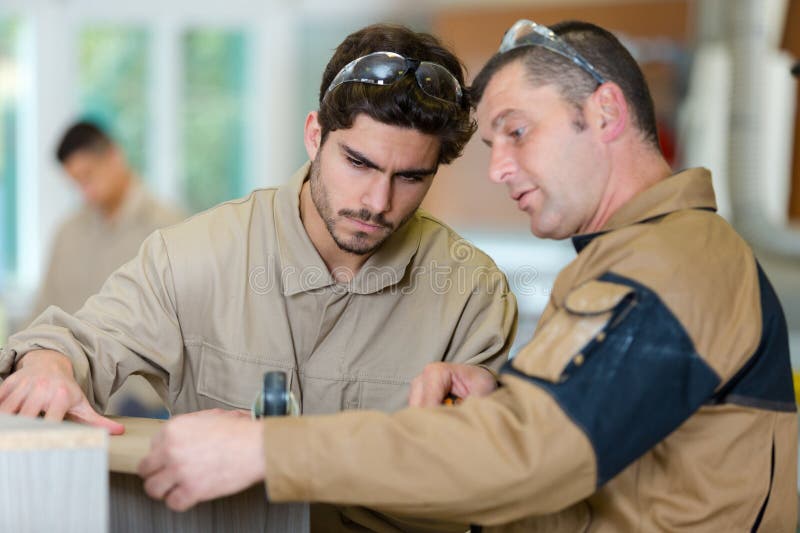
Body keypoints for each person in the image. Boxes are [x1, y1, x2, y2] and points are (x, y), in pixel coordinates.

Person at [133, 19, 796, 532]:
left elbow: (528, 456)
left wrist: (266, 451)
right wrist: (502, 397)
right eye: (490, 147)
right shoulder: (626, 260)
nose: (500, 168)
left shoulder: (675, 260)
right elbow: (587, 445)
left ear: (604, 112)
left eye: (517, 132)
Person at [0, 24, 517, 532]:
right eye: (358, 162)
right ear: (315, 136)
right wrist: (51, 359)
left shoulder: (473, 295)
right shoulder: (191, 256)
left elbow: (490, 481)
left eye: (409, 177)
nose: (377, 203)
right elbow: (79, 341)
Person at [26, 121, 184, 322]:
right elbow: (41, 312)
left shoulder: (167, 229)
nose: (84, 191)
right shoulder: (67, 233)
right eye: (76, 182)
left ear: (114, 155)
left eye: (88, 176)